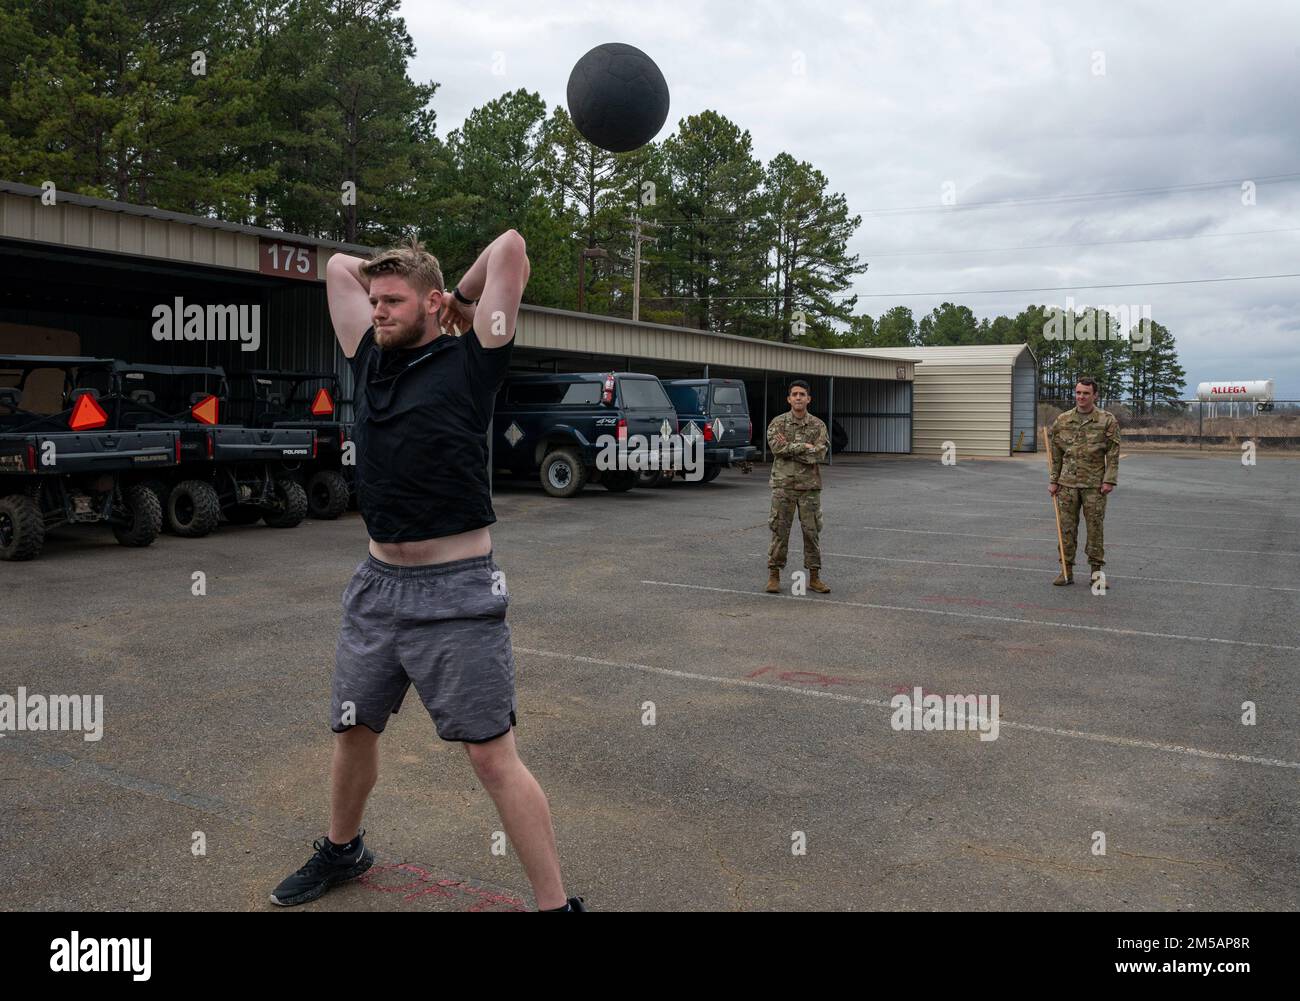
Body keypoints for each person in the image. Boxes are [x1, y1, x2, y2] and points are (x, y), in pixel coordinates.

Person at [270, 233, 583, 912]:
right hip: (377, 589)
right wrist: (394, 269)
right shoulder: (367, 361)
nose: (376, 309)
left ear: (432, 303)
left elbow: (512, 249)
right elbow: (335, 268)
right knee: (353, 729)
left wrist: (460, 300)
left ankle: (557, 904)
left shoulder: (477, 360)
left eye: (393, 300)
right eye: (374, 300)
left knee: (492, 756)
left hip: (459, 591)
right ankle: (343, 847)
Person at [1048, 377, 1120, 589]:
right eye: (1078, 392)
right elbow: (1056, 455)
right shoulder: (1062, 420)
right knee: (1066, 529)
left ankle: (1096, 573)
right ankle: (1065, 570)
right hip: (1067, 485)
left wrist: (1109, 480)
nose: (1081, 397)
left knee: (1095, 530)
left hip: (1094, 486)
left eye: (1086, 393)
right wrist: (1053, 480)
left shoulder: (1107, 420)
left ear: (1095, 395)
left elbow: (1113, 454)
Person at [766, 379, 831, 594]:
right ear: (789, 398)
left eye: (802, 394)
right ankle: (774, 575)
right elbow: (776, 448)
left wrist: (790, 449)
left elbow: (820, 453)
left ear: (808, 399)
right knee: (779, 531)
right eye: (794, 394)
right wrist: (804, 447)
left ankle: (814, 577)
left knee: (811, 532)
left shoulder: (818, 425)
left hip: (809, 488)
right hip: (783, 486)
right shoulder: (778, 423)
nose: (798, 397)